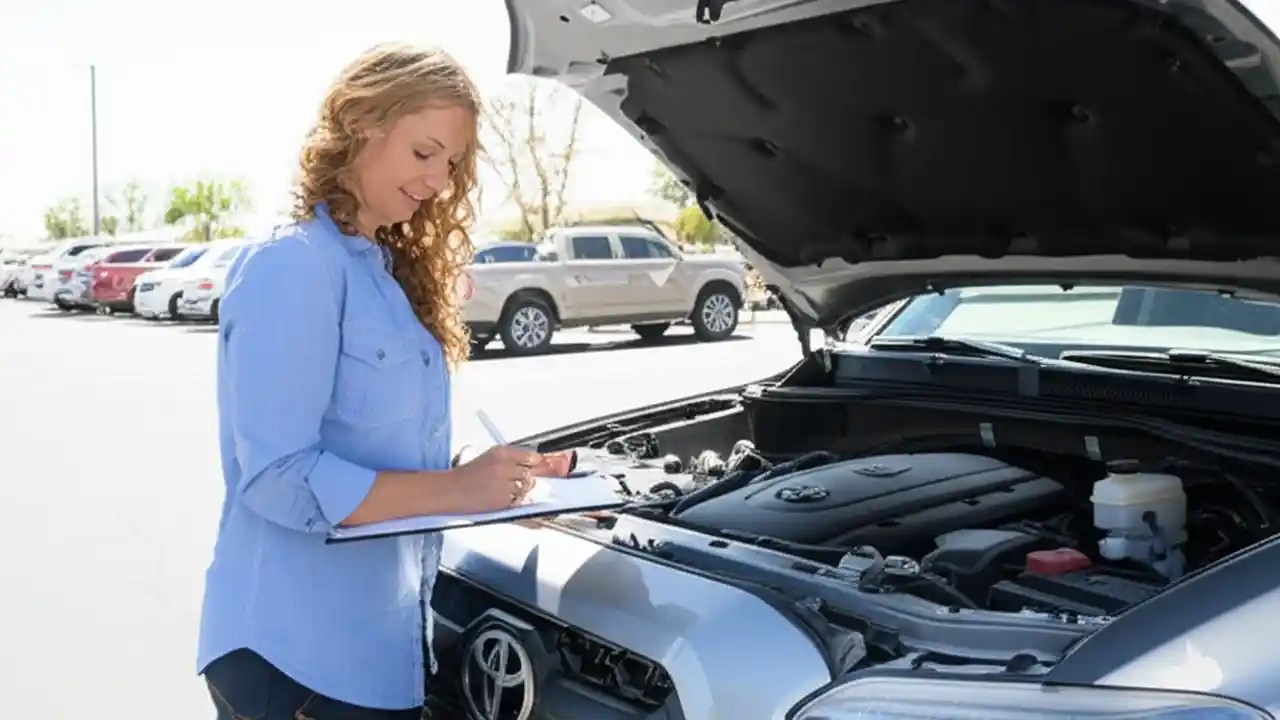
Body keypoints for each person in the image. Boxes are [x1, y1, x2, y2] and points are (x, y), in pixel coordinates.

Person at [197, 43, 546, 719]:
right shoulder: (294, 266)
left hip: (373, 656)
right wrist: (454, 489)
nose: (439, 181)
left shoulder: (383, 276)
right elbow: (278, 476)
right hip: (294, 662)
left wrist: (489, 477)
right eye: (424, 153)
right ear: (361, 123)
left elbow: (373, 453)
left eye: (451, 163)